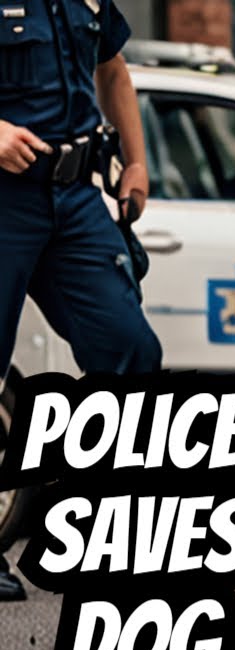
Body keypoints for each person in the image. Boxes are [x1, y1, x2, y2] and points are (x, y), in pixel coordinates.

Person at [0, 0, 160, 601]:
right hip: (4, 197)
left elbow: (113, 68)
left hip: (74, 197)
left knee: (129, 347)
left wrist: (138, 162)